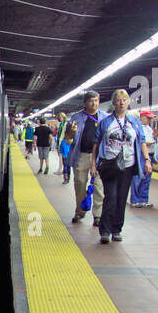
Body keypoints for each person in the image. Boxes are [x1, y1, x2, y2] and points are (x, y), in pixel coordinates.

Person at [93, 89, 150, 244]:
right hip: (109, 164)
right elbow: (96, 144)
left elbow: (142, 142)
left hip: (128, 165)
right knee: (110, 197)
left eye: (124, 100)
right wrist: (93, 165)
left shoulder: (135, 122)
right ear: (113, 103)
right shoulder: (106, 122)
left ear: (128, 102)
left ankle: (116, 229)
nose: (121, 102)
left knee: (121, 198)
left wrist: (147, 160)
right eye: (118, 100)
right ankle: (105, 230)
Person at [64, 91, 105, 226]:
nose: (94, 103)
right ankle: (80, 211)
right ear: (85, 103)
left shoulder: (104, 117)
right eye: (91, 101)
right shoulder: (76, 118)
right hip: (81, 155)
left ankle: (98, 216)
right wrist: (72, 131)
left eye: (97, 100)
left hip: (100, 158)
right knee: (80, 183)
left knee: (99, 186)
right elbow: (68, 139)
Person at [129, 109, 158, 208]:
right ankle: (135, 200)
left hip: (149, 155)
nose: (150, 120)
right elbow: (142, 142)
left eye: (150, 118)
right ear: (141, 118)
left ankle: (143, 200)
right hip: (140, 156)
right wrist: (151, 142)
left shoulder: (149, 128)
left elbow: (151, 140)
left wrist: (155, 137)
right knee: (138, 177)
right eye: (148, 118)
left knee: (146, 178)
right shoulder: (137, 128)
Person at [58, 118, 76, 184]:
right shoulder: (73, 141)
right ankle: (69, 177)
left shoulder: (63, 141)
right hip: (70, 156)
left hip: (64, 157)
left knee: (65, 167)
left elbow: (61, 150)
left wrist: (62, 154)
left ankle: (66, 178)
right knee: (69, 168)